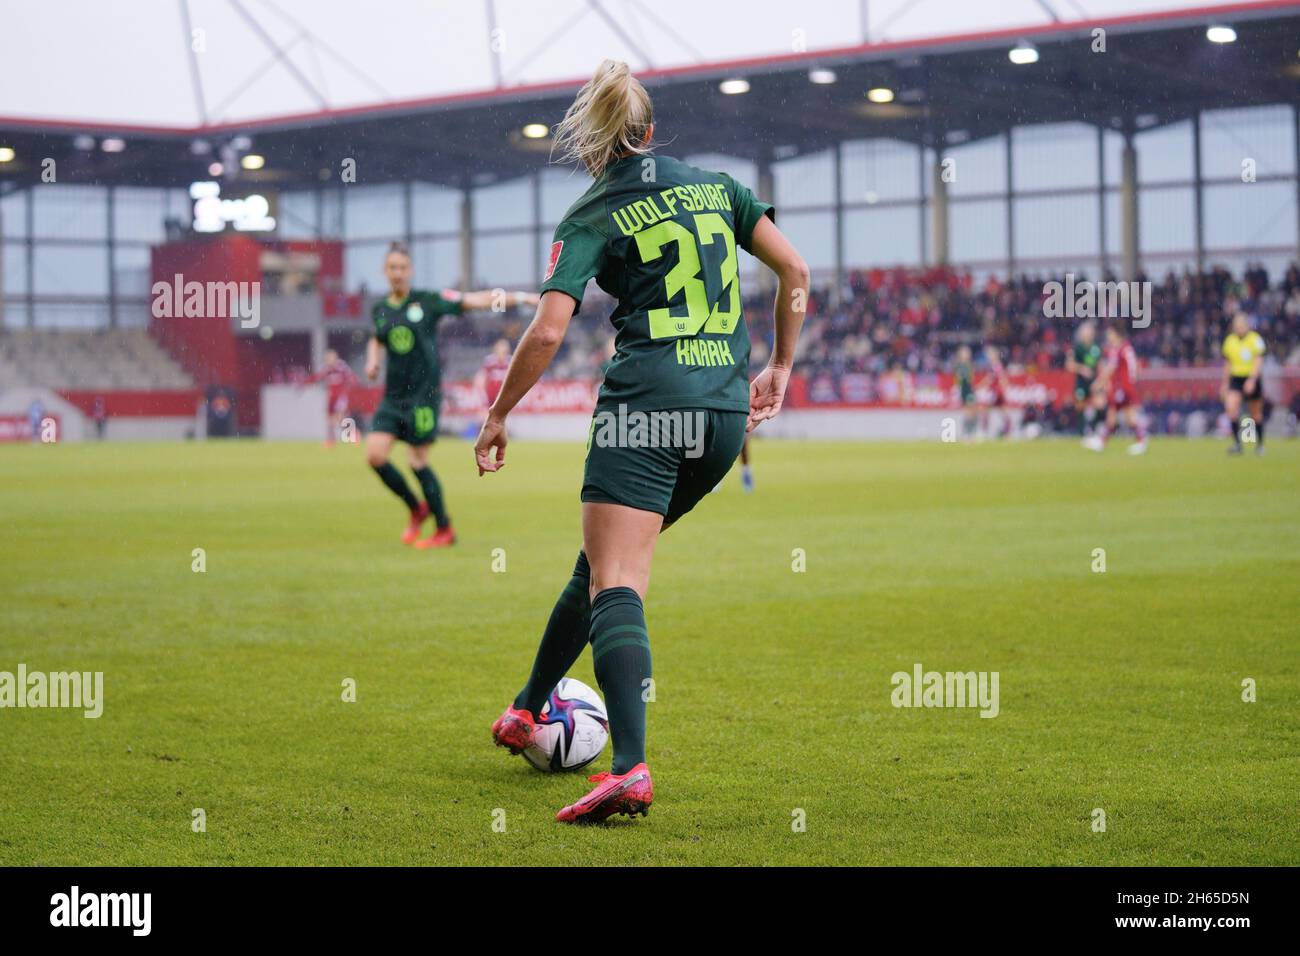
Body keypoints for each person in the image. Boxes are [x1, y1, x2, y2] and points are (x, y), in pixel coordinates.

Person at [475, 59, 808, 823]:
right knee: (597, 565)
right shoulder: (717, 187)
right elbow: (793, 267)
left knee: (615, 577)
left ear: (591, 146)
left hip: (645, 406)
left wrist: (498, 414)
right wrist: (781, 364)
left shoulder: (592, 211)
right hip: (721, 416)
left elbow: (550, 327)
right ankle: (527, 707)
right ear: (652, 131)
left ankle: (628, 767)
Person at [365, 241, 538, 549]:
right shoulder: (380, 310)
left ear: (411, 271)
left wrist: (522, 298)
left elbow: (475, 300)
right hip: (392, 397)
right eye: (392, 268)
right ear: (384, 271)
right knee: (375, 455)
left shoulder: (428, 301)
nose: (398, 273)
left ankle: (444, 528)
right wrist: (373, 360)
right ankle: (417, 509)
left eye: (403, 268)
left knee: (417, 461)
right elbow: (377, 339)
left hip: (423, 396)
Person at [1083, 324, 1148, 455]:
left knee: (1118, 413)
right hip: (1124, 386)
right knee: (1118, 415)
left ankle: (1140, 441)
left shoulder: (1120, 349)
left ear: (1116, 334)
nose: (1108, 336)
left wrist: (1099, 382)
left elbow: (1112, 369)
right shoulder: (1123, 348)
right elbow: (1132, 366)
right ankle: (1139, 441)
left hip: (1123, 387)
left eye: (1110, 333)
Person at [1220, 312, 1266, 455]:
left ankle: (1260, 445)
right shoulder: (1230, 341)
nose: (1238, 328)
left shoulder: (1255, 339)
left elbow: (1258, 361)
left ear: (1247, 326)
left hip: (1251, 377)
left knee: (1256, 414)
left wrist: (1252, 380)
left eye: (1241, 325)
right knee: (1231, 408)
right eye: (1236, 325)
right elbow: (1227, 363)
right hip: (1236, 378)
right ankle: (1237, 444)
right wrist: (1225, 383)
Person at [302, 348, 357, 446]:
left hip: (341, 396)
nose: (329, 360)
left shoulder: (342, 367)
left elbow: (351, 377)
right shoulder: (326, 369)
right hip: (331, 397)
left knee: (341, 417)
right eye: (328, 358)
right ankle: (331, 440)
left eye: (331, 357)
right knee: (329, 419)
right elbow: (317, 377)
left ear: (336, 357)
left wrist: (352, 384)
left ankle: (352, 436)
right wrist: (305, 383)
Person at [1065, 320, 1103, 435]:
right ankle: (1081, 432)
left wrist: (1101, 380)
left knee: (1100, 404)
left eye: (1090, 332)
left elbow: (1100, 365)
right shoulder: (1077, 348)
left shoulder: (1096, 348)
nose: (1088, 334)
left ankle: (1094, 428)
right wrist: (1082, 369)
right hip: (1081, 382)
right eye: (1086, 332)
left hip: (1094, 382)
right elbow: (1069, 365)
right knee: (1080, 406)